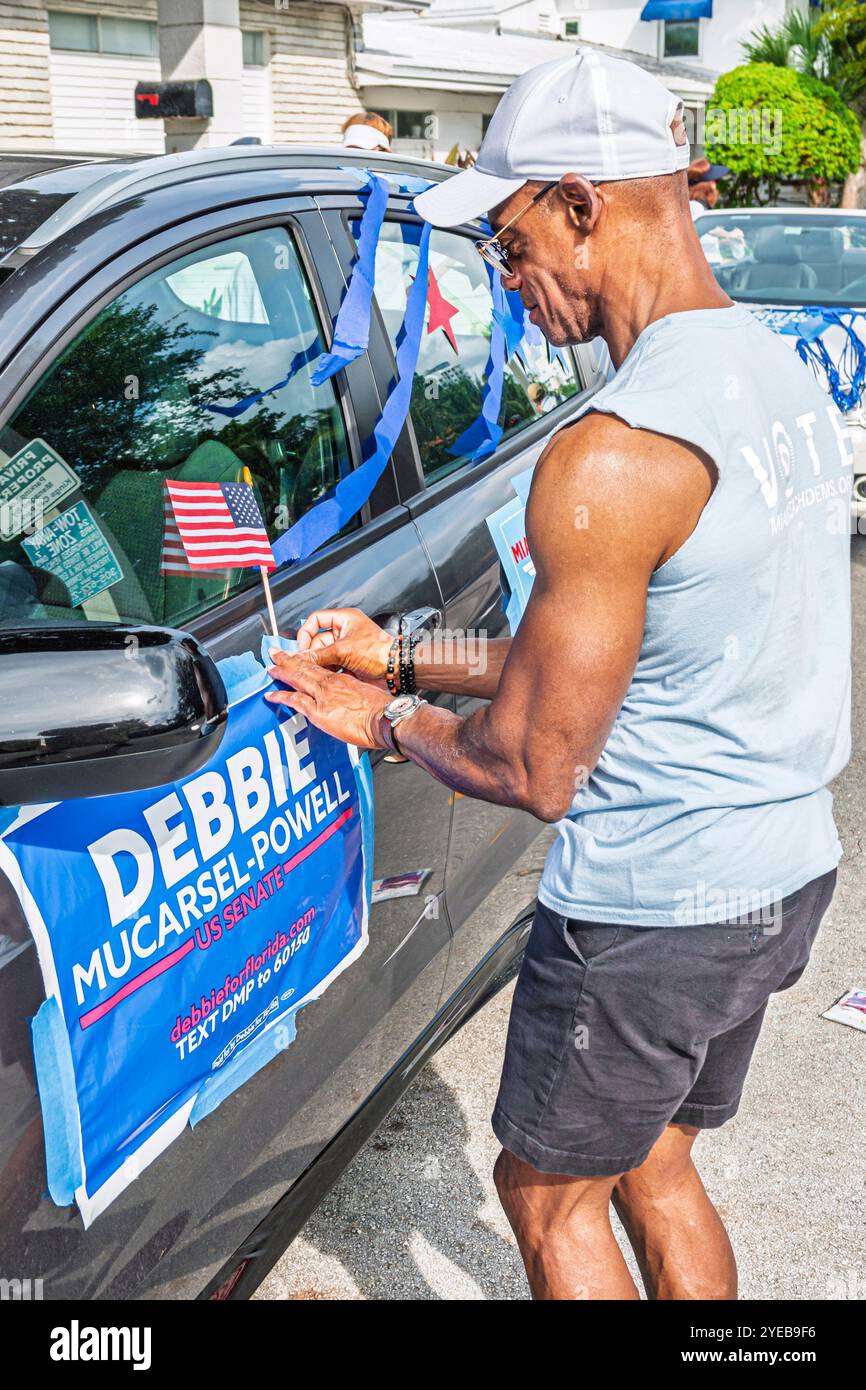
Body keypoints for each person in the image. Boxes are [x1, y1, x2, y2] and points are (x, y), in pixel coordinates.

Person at [265, 49, 851, 1300]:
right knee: (652, 1163)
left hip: (652, 906)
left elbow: (534, 762)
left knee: (543, 1194)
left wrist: (384, 717)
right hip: (780, 872)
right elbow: (628, 656)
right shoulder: (770, 373)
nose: (500, 272)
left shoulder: (610, 452)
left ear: (581, 204)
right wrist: (404, 645)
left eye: (508, 233)